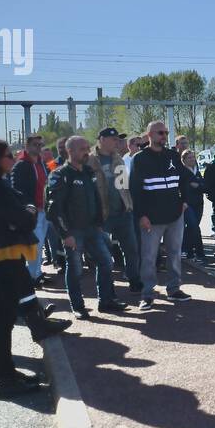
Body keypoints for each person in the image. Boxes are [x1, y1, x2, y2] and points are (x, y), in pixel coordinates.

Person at [0, 139, 72, 394]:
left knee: (15, 305)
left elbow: (22, 209)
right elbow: (23, 218)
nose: (12, 158)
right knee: (4, 319)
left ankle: (9, 371)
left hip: (7, 254)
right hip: (2, 256)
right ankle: (5, 380)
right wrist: (26, 212)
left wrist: (25, 211)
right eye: (7, 155)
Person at [47, 136, 126, 318]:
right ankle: (78, 306)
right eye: (82, 149)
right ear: (71, 151)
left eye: (87, 148)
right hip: (73, 231)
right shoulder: (60, 175)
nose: (87, 152)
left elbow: (97, 200)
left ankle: (106, 301)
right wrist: (65, 234)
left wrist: (99, 223)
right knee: (75, 268)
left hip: (92, 229)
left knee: (106, 262)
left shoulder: (89, 172)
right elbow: (54, 208)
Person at [129, 120, 192, 310]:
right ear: (149, 136)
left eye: (165, 132)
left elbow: (186, 179)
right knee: (148, 257)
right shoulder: (139, 159)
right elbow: (135, 190)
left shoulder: (173, 155)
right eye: (160, 133)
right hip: (151, 219)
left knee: (174, 254)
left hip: (175, 216)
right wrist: (141, 215)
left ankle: (174, 289)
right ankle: (147, 294)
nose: (164, 136)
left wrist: (185, 202)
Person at [90, 127, 141, 300]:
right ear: (102, 140)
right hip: (102, 216)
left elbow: (123, 186)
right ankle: (107, 292)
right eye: (114, 140)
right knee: (105, 257)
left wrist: (129, 204)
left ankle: (134, 280)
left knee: (132, 250)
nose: (118, 143)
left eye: (118, 140)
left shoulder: (118, 159)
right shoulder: (90, 161)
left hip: (123, 212)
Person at [9, 134, 50, 282]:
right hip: (33, 213)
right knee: (35, 245)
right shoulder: (21, 165)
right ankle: (32, 276)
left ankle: (36, 273)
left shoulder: (42, 163)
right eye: (35, 144)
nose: (38, 147)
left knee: (39, 246)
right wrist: (29, 207)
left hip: (45, 210)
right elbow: (17, 190)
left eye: (40, 145)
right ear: (27, 146)